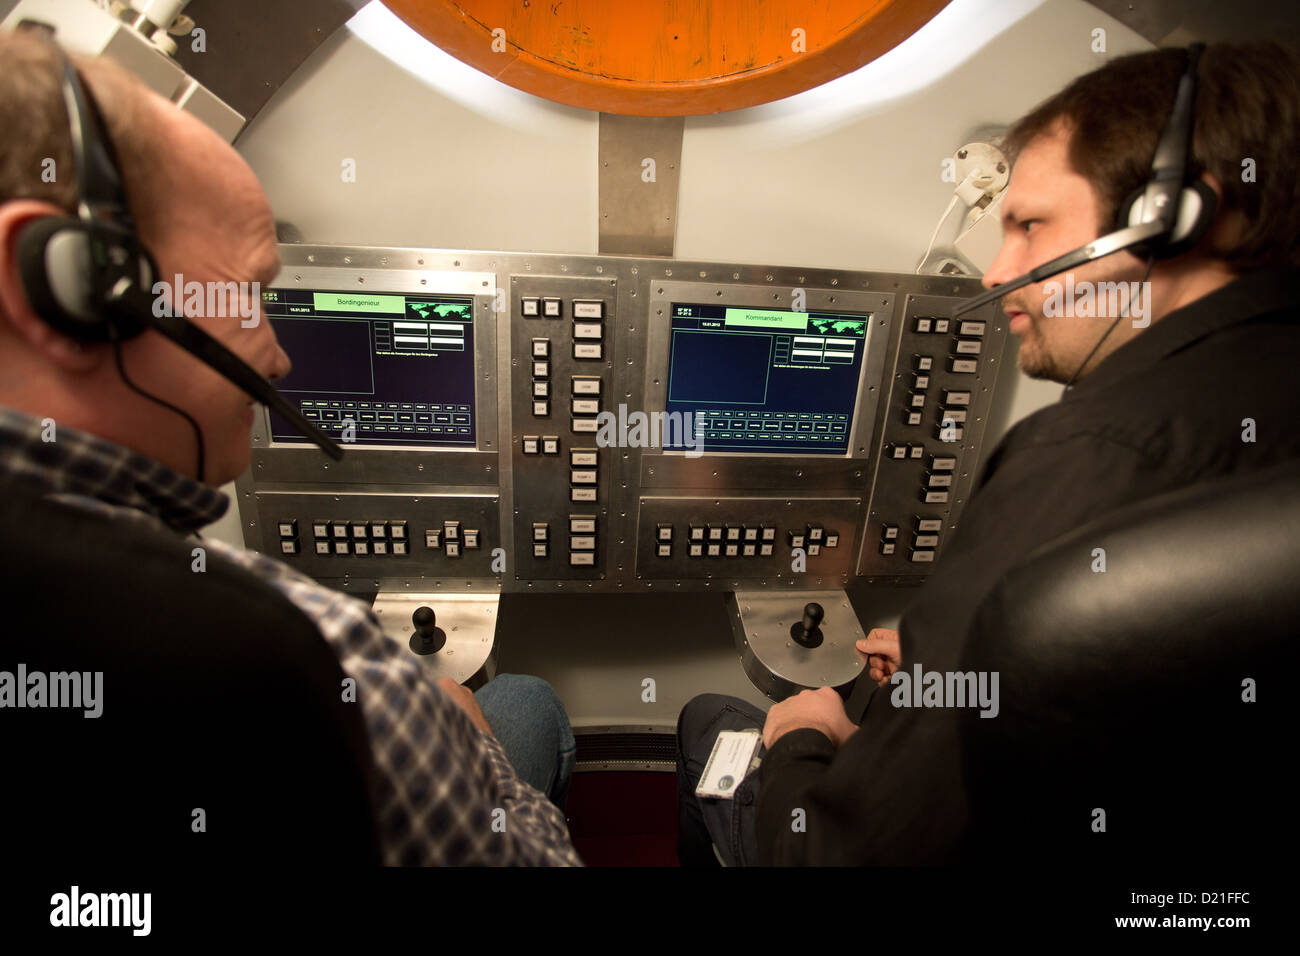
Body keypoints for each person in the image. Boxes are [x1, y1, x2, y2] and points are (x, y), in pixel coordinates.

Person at [678, 41, 1300, 866]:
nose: (1001, 276)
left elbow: (839, 850)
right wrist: (962, 660)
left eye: (1032, 226)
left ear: (1175, 215)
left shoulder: (1086, 454)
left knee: (707, 724)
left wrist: (804, 739)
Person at [0, 29, 579, 866]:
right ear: (67, 288)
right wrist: (469, 736)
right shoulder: (314, 655)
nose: (276, 355)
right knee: (520, 705)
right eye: (248, 294)